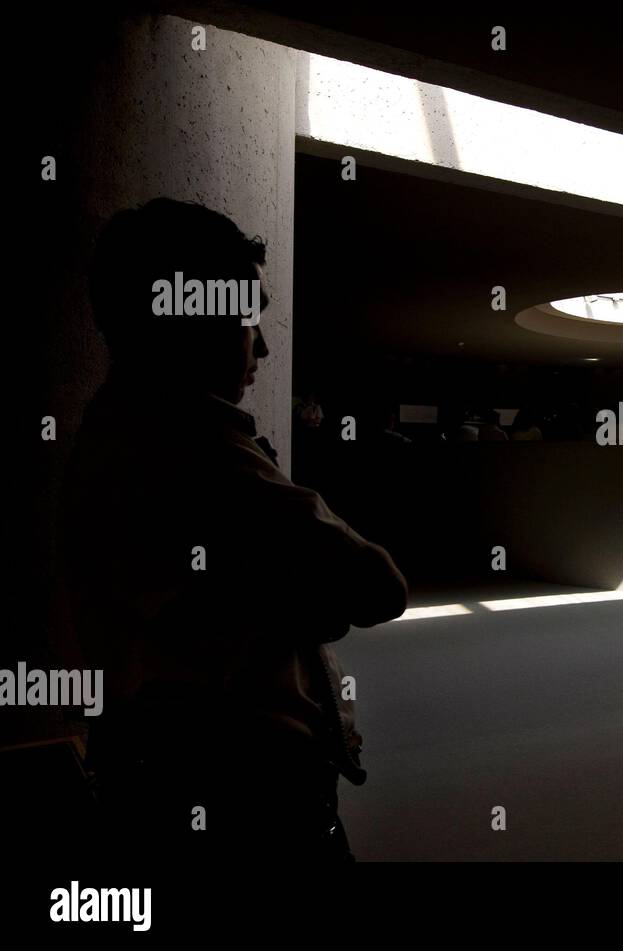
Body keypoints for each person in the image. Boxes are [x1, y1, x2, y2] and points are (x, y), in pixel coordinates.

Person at [62, 199, 409, 862]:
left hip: (172, 782)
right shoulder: (198, 450)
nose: (264, 345)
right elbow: (377, 585)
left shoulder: (115, 436)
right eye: (249, 319)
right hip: (251, 807)